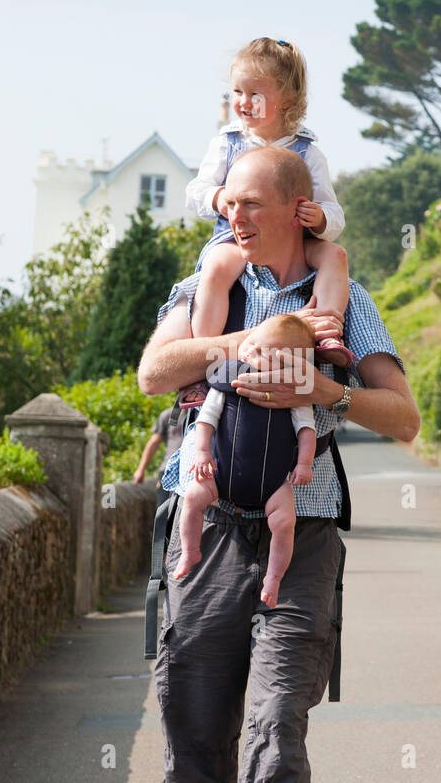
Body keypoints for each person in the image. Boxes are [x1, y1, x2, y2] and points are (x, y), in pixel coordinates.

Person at [137, 145, 420, 783]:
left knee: (276, 713)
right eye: (229, 203)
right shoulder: (203, 289)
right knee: (193, 699)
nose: (234, 215)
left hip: (307, 526)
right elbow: (155, 372)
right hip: (212, 526)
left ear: (298, 209)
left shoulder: (347, 303)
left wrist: (324, 389)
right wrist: (243, 342)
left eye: (251, 204)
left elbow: (402, 418)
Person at [180, 38, 355, 410]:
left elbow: (334, 214)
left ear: (288, 100)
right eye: (237, 92)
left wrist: (320, 218)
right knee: (216, 266)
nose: (242, 102)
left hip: (292, 241)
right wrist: (217, 198)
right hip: (234, 237)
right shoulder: (227, 143)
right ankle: (199, 367)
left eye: (255, 93)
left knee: (335, 255)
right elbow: (195, 192)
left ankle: (327, 333)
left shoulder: (308, 151)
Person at [173, 311, 318, 608]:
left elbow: (306, 432)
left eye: (262, 352)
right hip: (221, 474)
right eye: (251, 343)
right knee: (192, 498)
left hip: (273, 485)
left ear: (289, 365)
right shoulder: (227, 380)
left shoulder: (293, 394)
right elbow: (206, 420)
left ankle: (273, 578)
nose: (249, 351)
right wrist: (202, 452)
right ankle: (190, 550)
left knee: (285, 523)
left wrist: (304, 464)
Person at [133, 406, 187, 506]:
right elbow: (154, 442)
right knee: (163, 510)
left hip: (190, 469)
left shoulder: (202, 412)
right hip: (168, 469)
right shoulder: (171, 414)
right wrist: (141, 469)